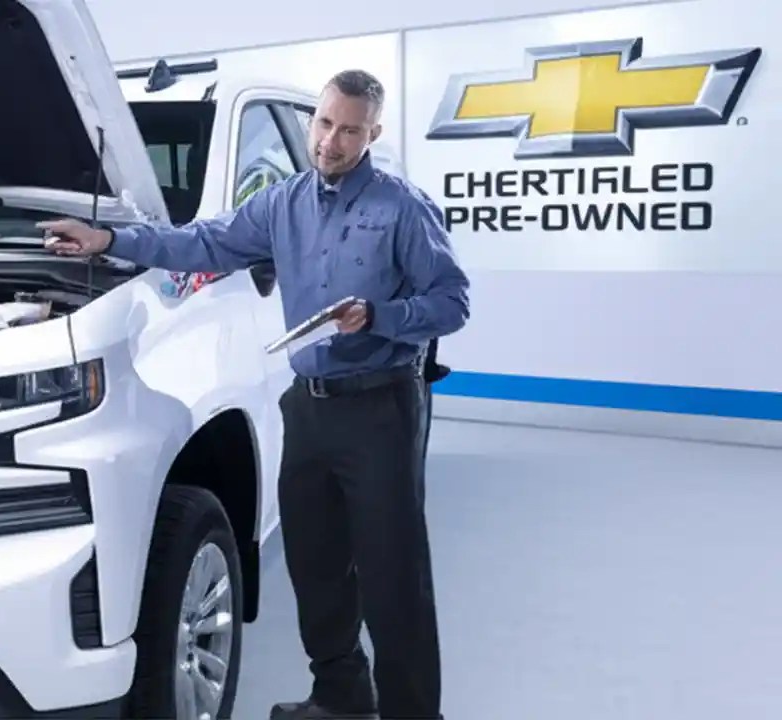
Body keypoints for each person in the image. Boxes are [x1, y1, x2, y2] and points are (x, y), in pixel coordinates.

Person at [39, 69, 469, 720]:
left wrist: (379, 316)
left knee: (393, 580)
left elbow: (452, 301)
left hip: (379, 407)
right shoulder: (282, 203)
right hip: (308, 405)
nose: (331, 140)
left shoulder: (402, 208)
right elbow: (202, 240)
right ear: (312, 122)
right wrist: (109, 239)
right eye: (324, 124)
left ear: (372, 133)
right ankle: (340, 697)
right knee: (316, 568)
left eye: (349, 130)